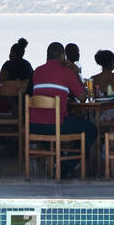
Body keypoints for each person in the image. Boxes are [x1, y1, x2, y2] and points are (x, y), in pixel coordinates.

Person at [29, 42, 97, 177]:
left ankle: (57, 161)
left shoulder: (37, 71)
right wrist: (75, 72)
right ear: (62, 56)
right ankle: (66, 165)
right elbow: (83, 97)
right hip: (55, 125)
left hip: (34, 125)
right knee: (91, 130)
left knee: (51, 128)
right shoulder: (66, 72)